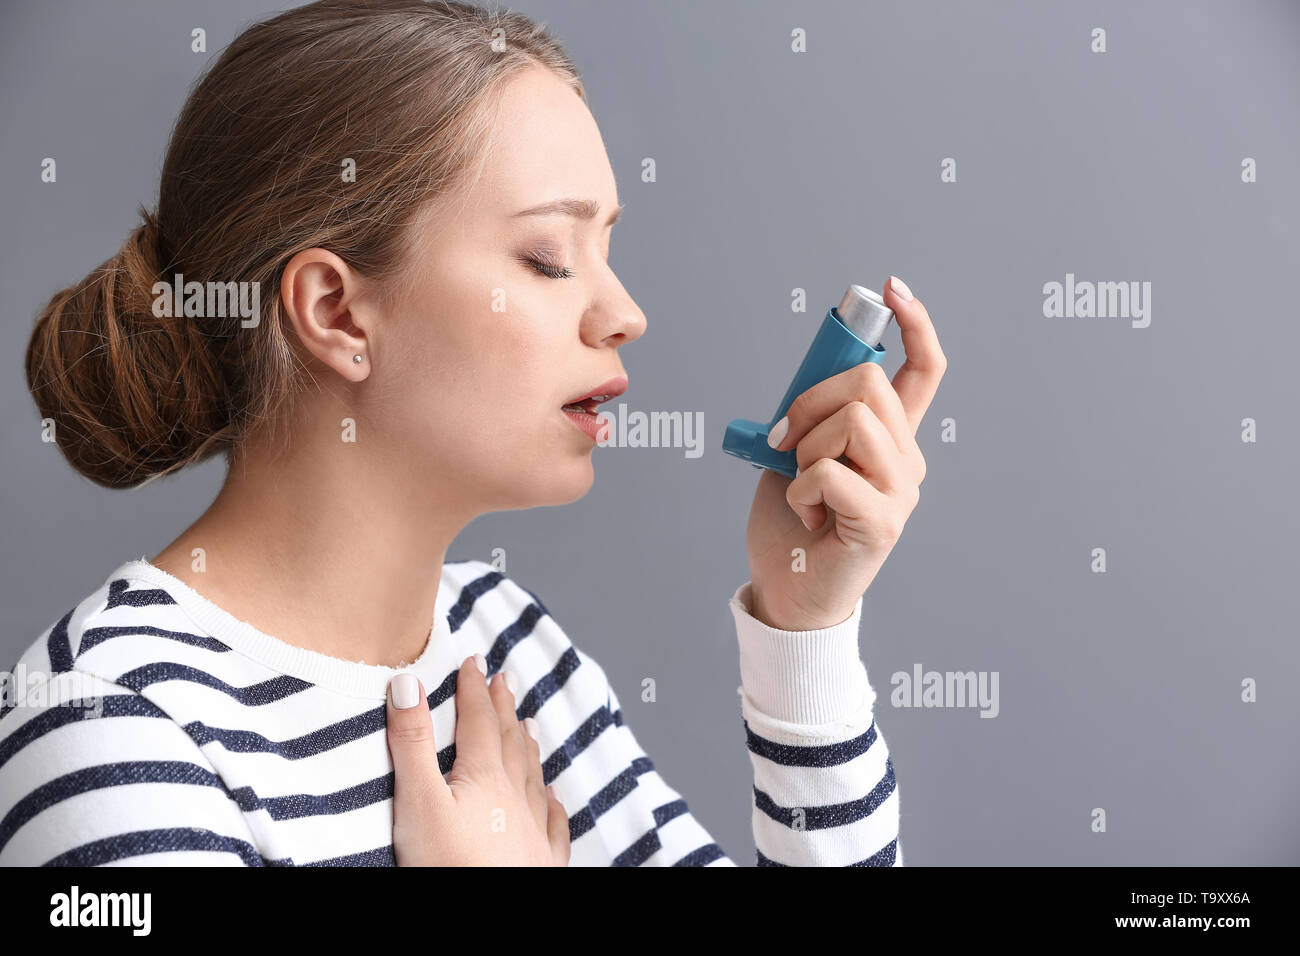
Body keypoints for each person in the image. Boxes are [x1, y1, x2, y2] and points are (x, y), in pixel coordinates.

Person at [3, 0, 944, 866]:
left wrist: (804, 630)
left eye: (605, 250)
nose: (624, 313)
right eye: (545, 259)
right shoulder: (108, 732)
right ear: (336, 311)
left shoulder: (508, 648)